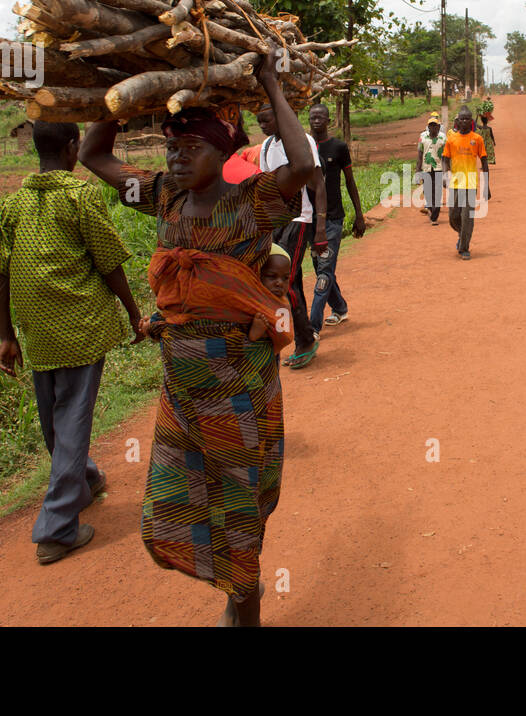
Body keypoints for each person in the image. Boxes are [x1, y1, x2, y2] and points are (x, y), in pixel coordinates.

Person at [78, 55, 316, 628]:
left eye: (191, 150)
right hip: (181, 387)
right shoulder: (164, 199)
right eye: (170, 149)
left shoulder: (250, 202)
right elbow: (92, 156)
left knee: (239, 496)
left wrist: (269, 85)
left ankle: (245, 604)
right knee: (182, 491)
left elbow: (303, 167)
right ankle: (236, 593)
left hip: (238, 383)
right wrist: (121, 97)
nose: (177, 158)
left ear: (223, 153)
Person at [0, 121, 143, 566]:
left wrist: (7, 335)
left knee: (56, 416)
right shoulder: (81, 195)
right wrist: (133, 313)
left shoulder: (14, 202)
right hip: (81, 326)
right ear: (74, 148)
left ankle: (85, 479)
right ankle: (57, 529)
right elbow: (109, 261)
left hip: (37, 331)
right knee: (71, 419)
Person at [257, 104, 327, 369]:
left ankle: (304, 340)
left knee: (285, 282)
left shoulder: (302, 140)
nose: (263, 125)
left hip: (299, 219)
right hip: (276, 221)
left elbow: (318, 183)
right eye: (259, 121)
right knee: (290, 280)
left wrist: (320, 227)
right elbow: (266, 185)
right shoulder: (266, 147)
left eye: (267, 119)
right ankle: (299, 340)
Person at [306, 103, 365, 334]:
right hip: (309, 218)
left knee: (324, 271)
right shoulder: (303, 146)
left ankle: (313, 326)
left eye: (321, 117)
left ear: (329, 120)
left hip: (332, 219)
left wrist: (359, 215)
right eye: (312, 117)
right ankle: (339, 307)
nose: (316, 120)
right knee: (320, 266)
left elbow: (350, 181)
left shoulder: (338, 147)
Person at [442, 107, 489, 260]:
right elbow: (445, 159)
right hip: (455, 183)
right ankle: (462, 235)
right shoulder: (451, 139)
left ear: (471, 121)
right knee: (453, 216)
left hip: (470, 184)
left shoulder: (477, 139)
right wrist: (444, 174)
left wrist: (486, 185)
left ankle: (464, 248)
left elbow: (484, 161)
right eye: (461, 119)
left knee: (467, 217)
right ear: (457, 121)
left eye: (467, 119)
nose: (464, 121)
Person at [247, 244, 291, 344]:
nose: (279, 283)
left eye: (285, 278)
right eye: (271, 276)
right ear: (257, 274)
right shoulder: (248, 300)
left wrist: (260, 334)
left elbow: (284, 336)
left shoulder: (282, 304)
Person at [417, 113, 446, 224]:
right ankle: (431, 209)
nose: (433, 127)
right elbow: (419, 154)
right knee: (428, 192)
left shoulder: (443, 138)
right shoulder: (423, 137)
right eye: (431, 125)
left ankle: (435, 213)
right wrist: (417, 170)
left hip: (439, 168)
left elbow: (446, 156)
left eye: (435, 125)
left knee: (438, 192)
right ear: (428, 127)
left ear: (438, 127)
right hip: (426, 169)